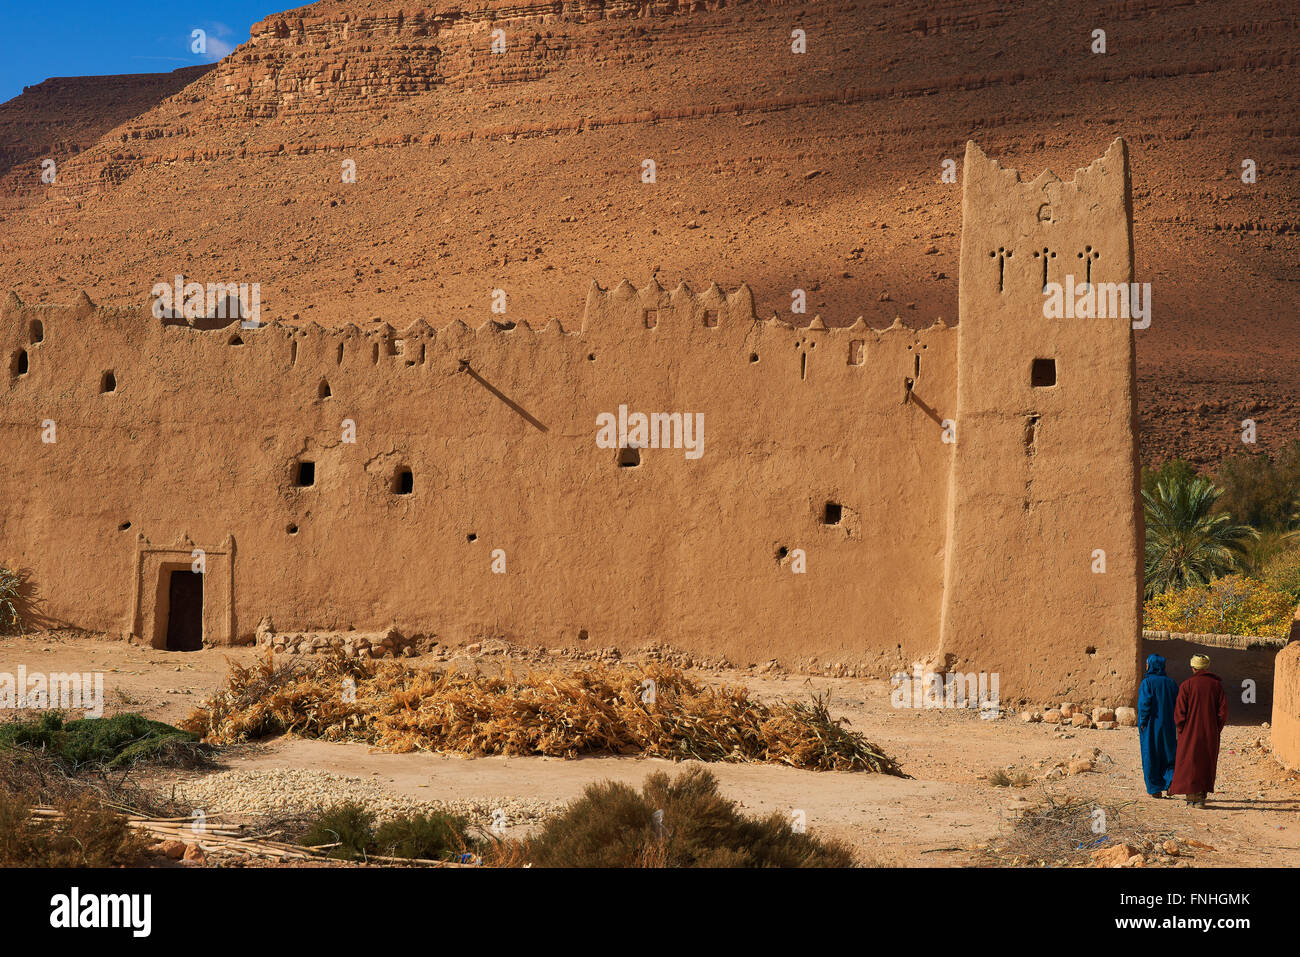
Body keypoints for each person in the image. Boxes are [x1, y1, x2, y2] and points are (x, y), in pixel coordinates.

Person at [1170, 654, 1228, 808]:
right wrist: (1216, 729)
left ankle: (1192, 797)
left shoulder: (1187, 685)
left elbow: (1179, 712)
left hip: (1189, 731)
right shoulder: (1216, 686)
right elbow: (1222, 712)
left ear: (1193, 667)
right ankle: (1200, 798)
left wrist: (1181, 729)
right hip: (1210, 731)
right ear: (1207, 667)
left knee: (1189, 762)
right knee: (1205, 762)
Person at [1137, 653, 1178, 797]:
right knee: (1169, 754)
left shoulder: (1147, 683)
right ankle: (1170, 781)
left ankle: (1155, 789)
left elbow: (1144, 705)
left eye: (1147, 664)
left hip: (1151, 725)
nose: (1146, 666)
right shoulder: (1171, 683)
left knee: (1151, 754)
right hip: (1169, 725)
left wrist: (1142, 722)